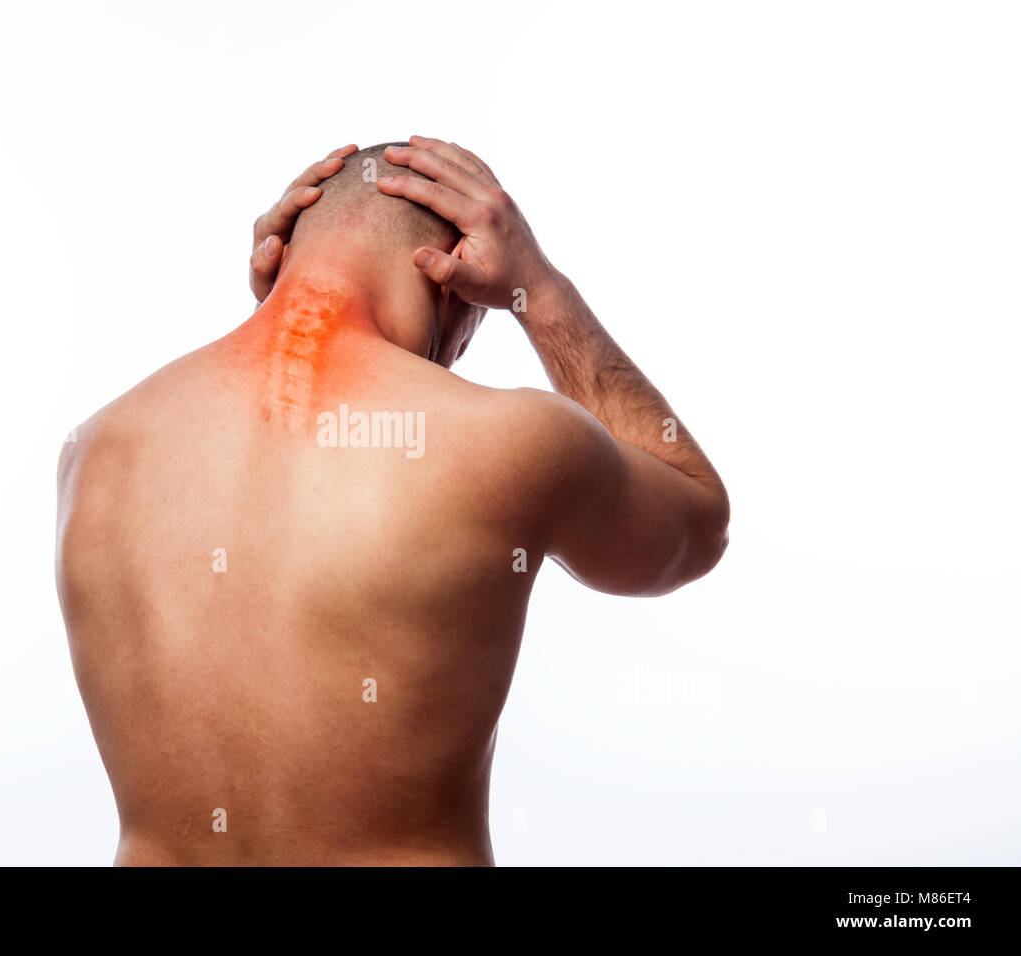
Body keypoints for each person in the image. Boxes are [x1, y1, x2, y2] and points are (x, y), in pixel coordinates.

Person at [55, 138, 730, 865]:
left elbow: (265, 447)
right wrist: (541, 290)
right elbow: (697, 519)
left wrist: (288, 303)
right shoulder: (509, 442)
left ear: (276, 255)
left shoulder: (96, 452)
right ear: (457, 286)